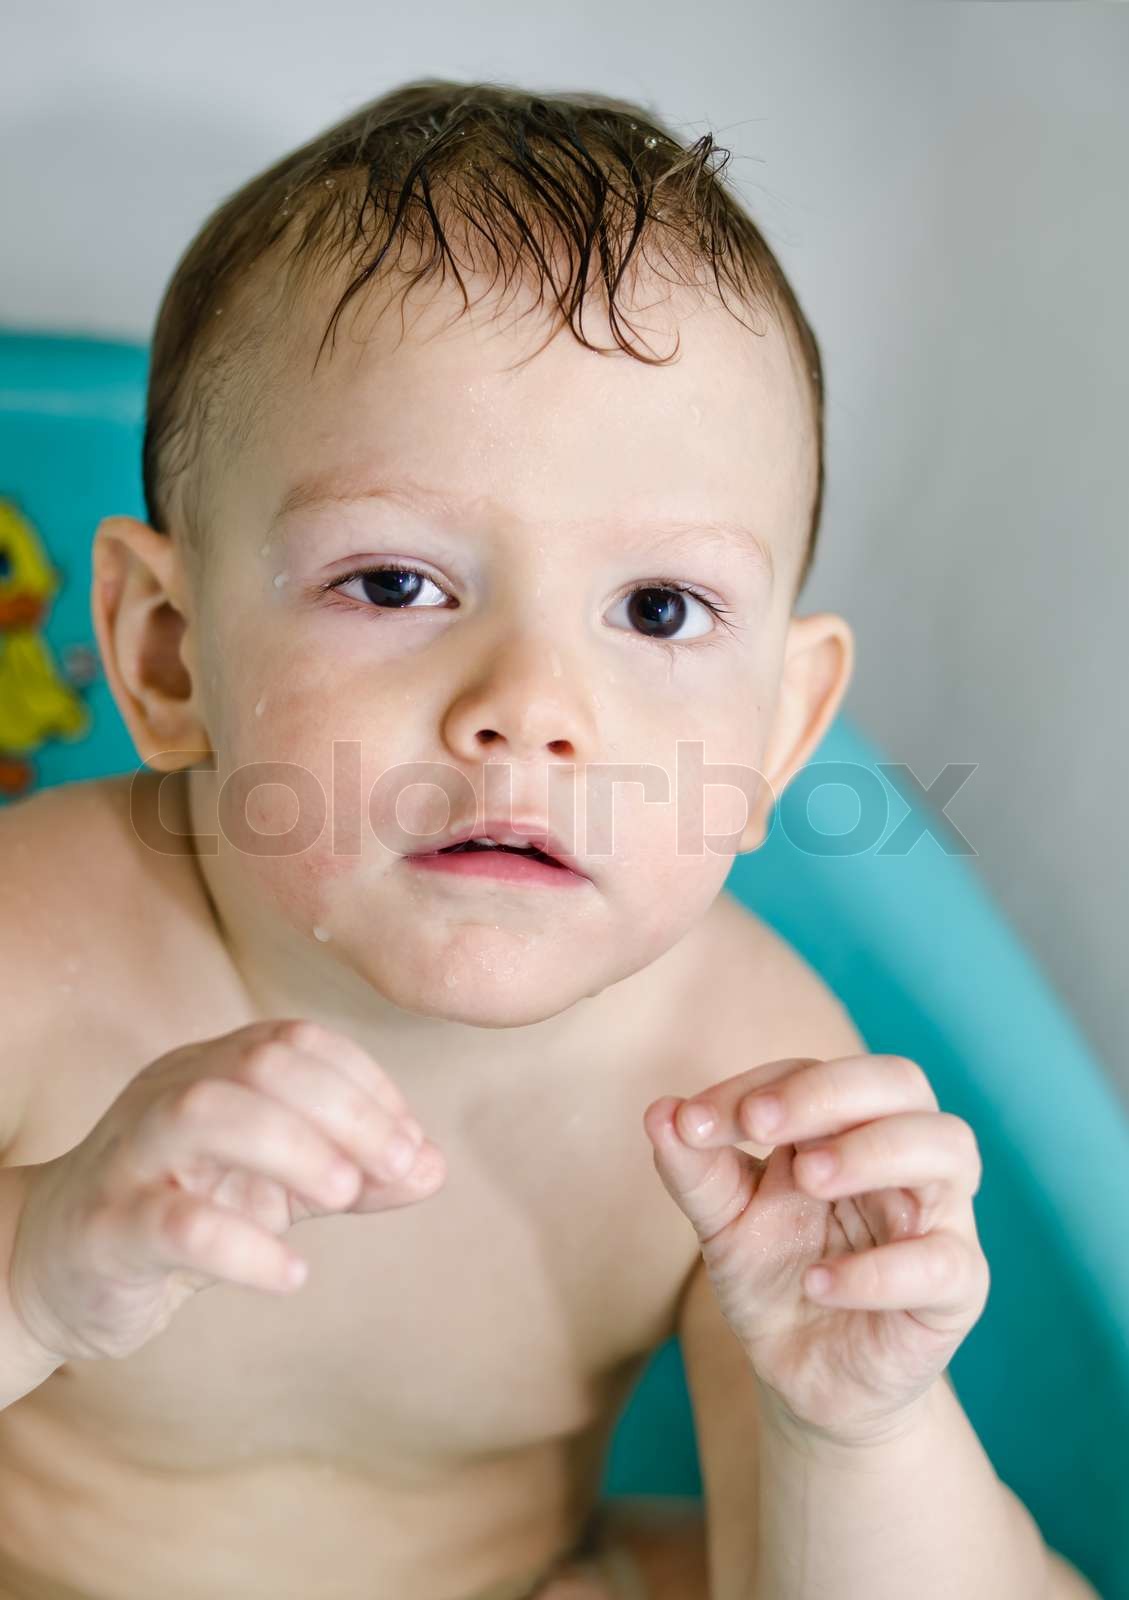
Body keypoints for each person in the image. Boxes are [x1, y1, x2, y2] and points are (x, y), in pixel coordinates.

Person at [0, 79, 1097, 1600]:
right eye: (394, 585)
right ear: (171, 655)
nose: (528, 709)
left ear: (777, 734)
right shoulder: (38, 942)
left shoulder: (741, 1072)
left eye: (656, 610)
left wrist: (847, 1426)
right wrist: (33, 1272)